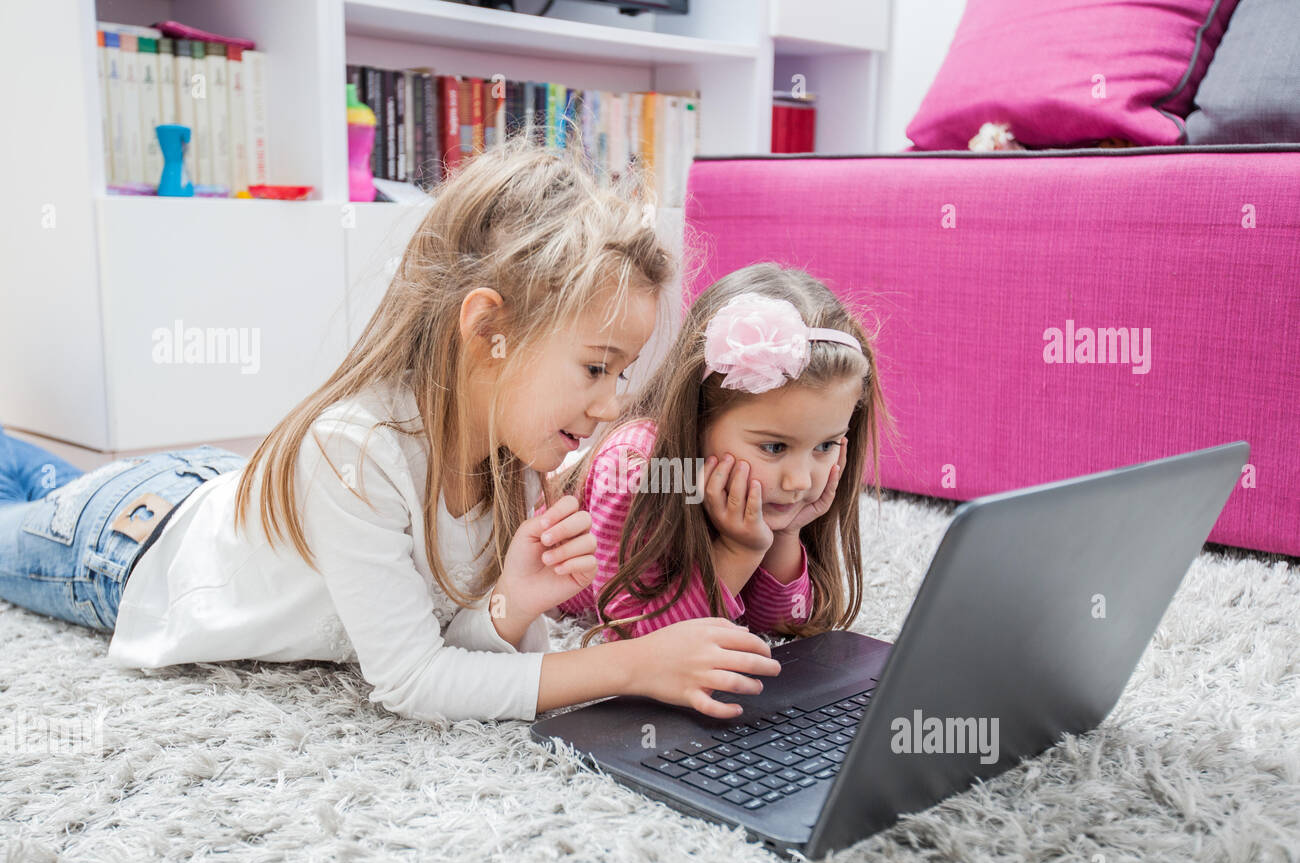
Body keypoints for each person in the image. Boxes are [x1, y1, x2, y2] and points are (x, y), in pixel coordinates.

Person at [0, 137, 781, 723]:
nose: (613, 405)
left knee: (41, 477)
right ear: (487, 330)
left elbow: (457, 641)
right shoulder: (355, 449)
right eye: (595, 368)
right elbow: (411, 681)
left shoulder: (513, 443)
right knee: (31, 504)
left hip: (205, 487)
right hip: (126, 544)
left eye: (622, 374)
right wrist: (630, 667)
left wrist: (511, 604)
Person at [548, 262, 893, 650]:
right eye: (774, 447)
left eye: (825, 446)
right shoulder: (635, 467)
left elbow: (786, 625)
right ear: (698, 416)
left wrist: (783, 534)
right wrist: (738, 551)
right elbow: (632, 637)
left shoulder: (773, 491)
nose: (800, 480)